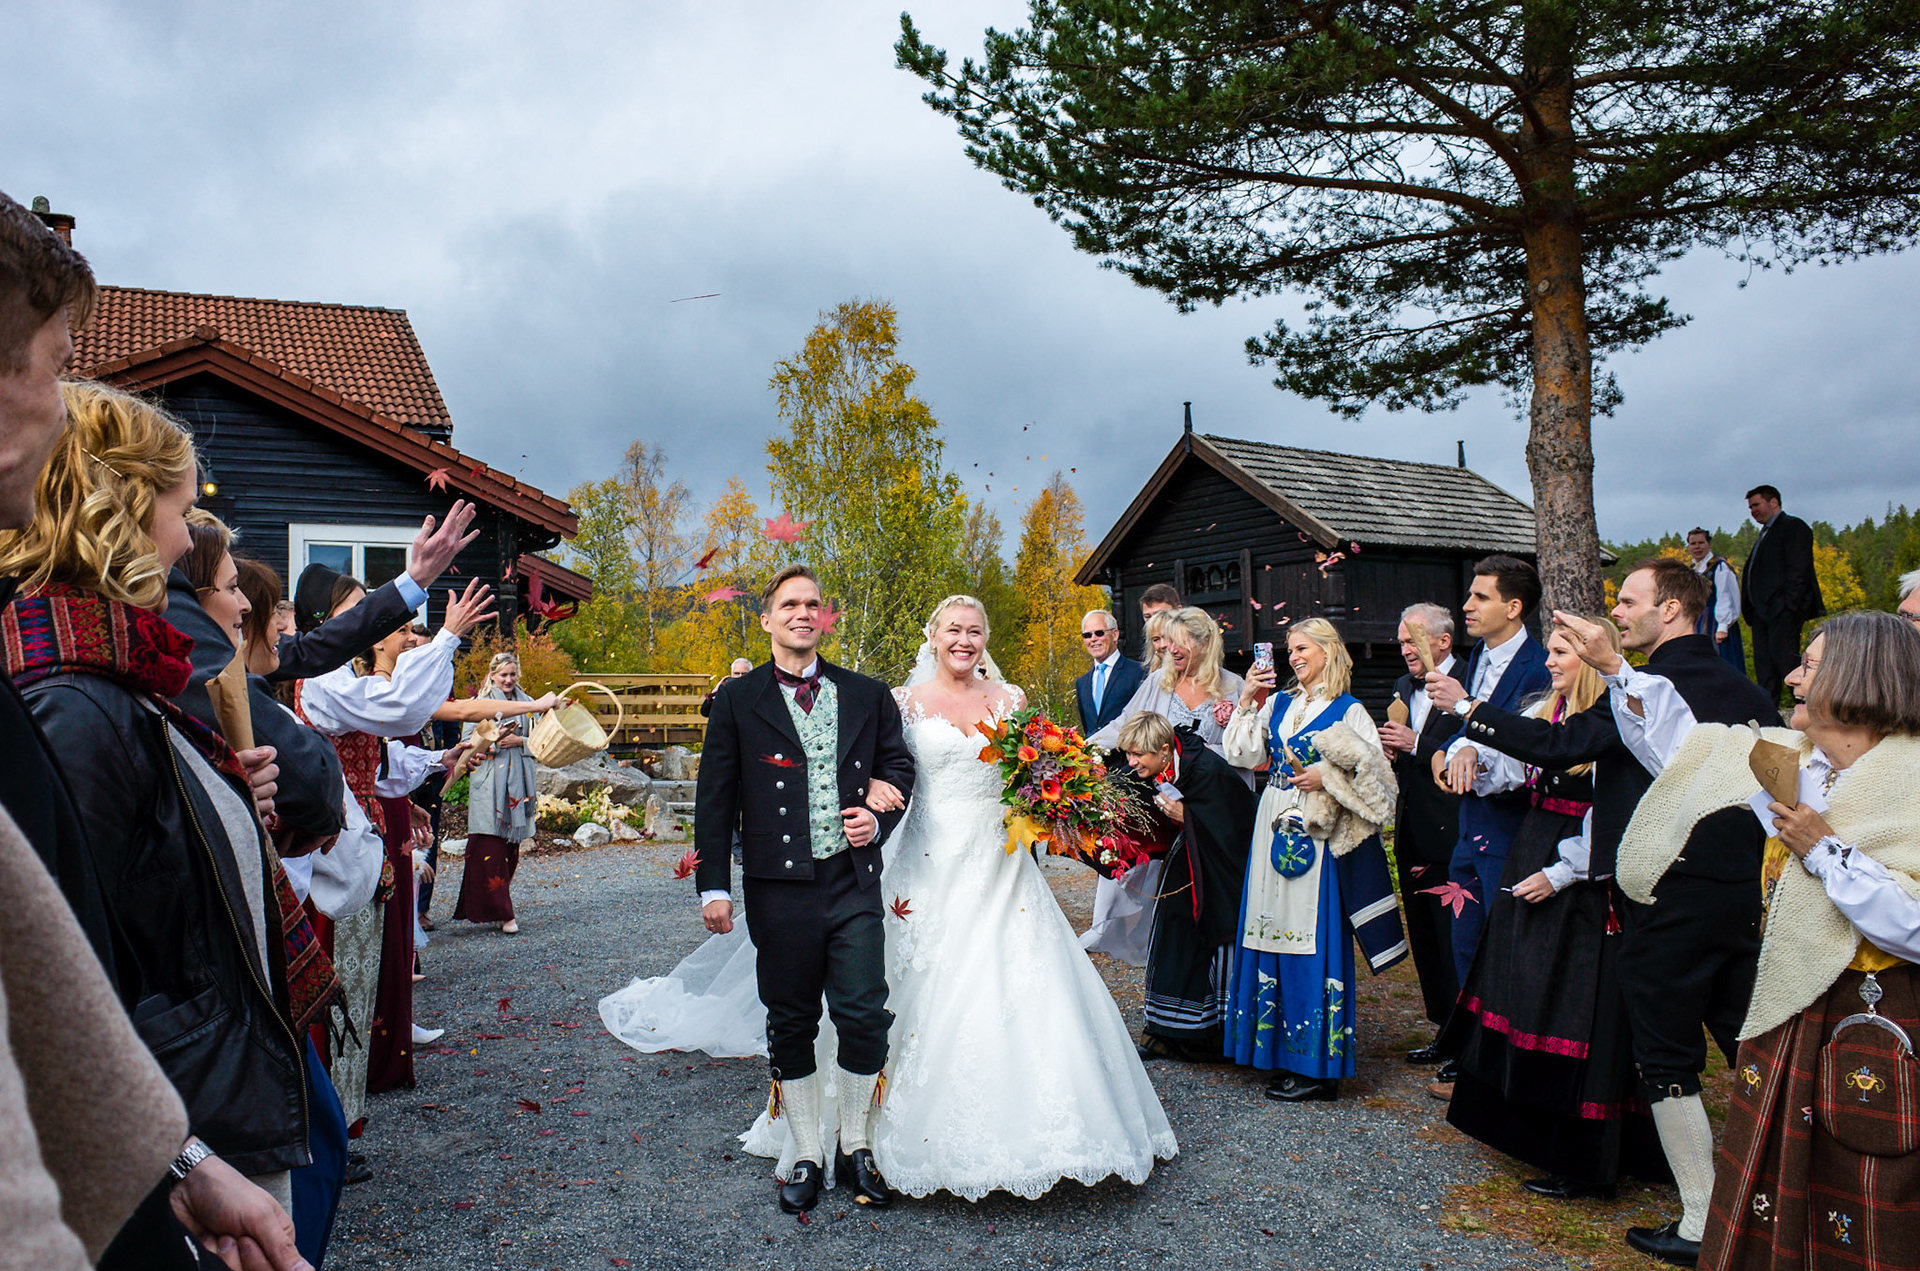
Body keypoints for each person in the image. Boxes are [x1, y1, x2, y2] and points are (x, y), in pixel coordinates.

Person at [0, 191, 308, 1270]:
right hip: (174, 1109)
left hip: (180, 1120)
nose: (191, 544)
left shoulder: (118, 672)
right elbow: (67, 970)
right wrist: (171, 1157)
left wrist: (221, 803)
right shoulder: (70, 696)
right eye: (54, 363)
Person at [1440, 559, 1779, 1266]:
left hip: (1664, 890)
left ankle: (1702, 1218)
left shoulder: (1648, 688)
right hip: (1736, 892)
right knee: (1747, 1038)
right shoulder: (1748, 692)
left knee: (1664, 1056)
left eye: (1628, 601)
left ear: (1673, 609)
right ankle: (1786, 1181)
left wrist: (1469, 710)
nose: (1617, 613)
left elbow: (1559, 745)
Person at [1594, 610, 1920, 1269]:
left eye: (1811, 666)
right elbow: (1687, 751)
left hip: (1876, 1016)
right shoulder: (1799, 763)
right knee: (1785, 1186)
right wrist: (1616, 671)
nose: (1792, 678)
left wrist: (1823, 850)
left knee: (1865, 1184)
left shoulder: (1909, 782)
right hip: (1795, 1005)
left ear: (1858, 679)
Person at [691, 566, 917, 1213]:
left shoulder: (867, 693)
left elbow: (899, 766)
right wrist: (713, 886)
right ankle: (807, 1151)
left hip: (851, 880)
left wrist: (878, 817)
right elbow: (715, 798)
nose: (803, 612)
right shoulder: (737, 699)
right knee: (790, 1018)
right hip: (777, 886)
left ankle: (855, 1144)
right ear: (767, 619)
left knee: (864, 1013)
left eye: (812, 604)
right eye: (789, 603)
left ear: (824, 618)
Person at [1436, 618, 1667, 1198]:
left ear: (1590, 659)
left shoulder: (1614, 723)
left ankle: (1582, 1157)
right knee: (1529, 996)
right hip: (1533, 854)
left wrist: (1562, 872)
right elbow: (1511, 764)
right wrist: (1470, 754)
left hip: (1581, 880)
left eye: (1561, 652)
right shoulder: (1548, 714)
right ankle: (1531, 1134)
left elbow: (1615, 816)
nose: (1549, 661)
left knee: (1573, 1009)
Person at [290, 563, 508, 1169]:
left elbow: (382, 757)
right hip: (332, 860)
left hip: (356, 851)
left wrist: (437, 764)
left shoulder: (338, 676)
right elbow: (398, 709)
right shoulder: (322, 679)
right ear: (322, 621)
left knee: (355, 992)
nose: (369, 620)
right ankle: (323, 1136)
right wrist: (448, 636)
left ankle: (341, 1126)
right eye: (355, 610)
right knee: (333, 998)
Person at [1222, 618, 1401, 1101]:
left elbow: (1379, 781)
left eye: (1303, 648)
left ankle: (1316, 1066)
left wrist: (1329, 778)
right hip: (1274, 816)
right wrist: (1247, 701)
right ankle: (1275, 1052)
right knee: (1267, 926)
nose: (1294, 656)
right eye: (1290, 649)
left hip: (1318, 828)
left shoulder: (1349, 709)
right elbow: (1241, 755)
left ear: (1328, 651)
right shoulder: (1280, 703)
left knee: (1309, 934)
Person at [1421, 555, 1552, 1011]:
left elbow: (1528, 744)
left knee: (1507, 947)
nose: (1467, 606)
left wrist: (1471, 744)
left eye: (1480, 597)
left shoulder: (1540, 668)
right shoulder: (1478, 656)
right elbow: (1467, 730)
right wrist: (1448, 751)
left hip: (1511, 830)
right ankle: (1467, 1039)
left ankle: (1503, 1043)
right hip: (1469, 824)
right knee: (1466, 943)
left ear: (1513, 607)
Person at [1120, 712, 1255, 1064]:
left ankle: (1216, 1037)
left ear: (1165, 751)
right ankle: (1164, 1033)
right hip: (1189, 856)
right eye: (1129, 753)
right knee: (1171, 933)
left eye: (1138, 755)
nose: (1132, 762)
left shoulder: (1208, 771)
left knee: (1212, 941)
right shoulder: (1157, 764)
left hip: (1222, 867)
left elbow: (1237, 820)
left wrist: (1188, 816)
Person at [1378, 602, 1464, 1057]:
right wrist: (1392, 752)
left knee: (1454, 939)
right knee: (1426, 940)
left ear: (1443, 641)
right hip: (1411, 827)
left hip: (1452, 831)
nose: (1405, 649)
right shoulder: (1400, 686)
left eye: (1413, 641)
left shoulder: (1469, 682)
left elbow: (1470, 746)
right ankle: (1442, 1031)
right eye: (1401, 642)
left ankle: (1465, 1038)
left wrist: (1418, 744)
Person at [452, 651, 550, 935]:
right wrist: (493, 742)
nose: (508, 679)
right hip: (489, 785)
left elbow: (542, 742)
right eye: (503, 675)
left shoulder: (528, 704)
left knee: (510, 850)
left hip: (519, 785)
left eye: (512, 674)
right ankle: (504, 914)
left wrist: (520, 741)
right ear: (493, 675)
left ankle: (495, 910)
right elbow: (465, 743)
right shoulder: (479, 704)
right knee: (489, 849)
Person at [1739, 485, 1824, 703]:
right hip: (1762, 614)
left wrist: (1787, 605)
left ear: (1773, 502)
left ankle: (1804, 708)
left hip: (1782, 611)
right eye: (1750, 508)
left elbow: (1799, 569)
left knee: (1787, 663)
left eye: (1756, 505)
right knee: (1765, 669)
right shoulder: (1765, 534)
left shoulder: (1793, 527)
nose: (1753, 511)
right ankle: (1769, 713)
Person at [1076, 608, 1147, 736]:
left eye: (1099, 633)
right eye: (1087, 635)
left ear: (1115, 634)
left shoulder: (1139, 672)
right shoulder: (1082, 683)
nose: (1093, 639)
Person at [1686, 528, 1745, 674]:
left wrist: (1723, 626)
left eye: (1701, 543)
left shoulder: (1720, 567)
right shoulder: (1693, 569)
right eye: (1693, 544)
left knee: (1721, 660)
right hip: (1698, 620)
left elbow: (1726, 596)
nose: (1697, 547)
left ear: (1709, 544)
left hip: (1715, 621)